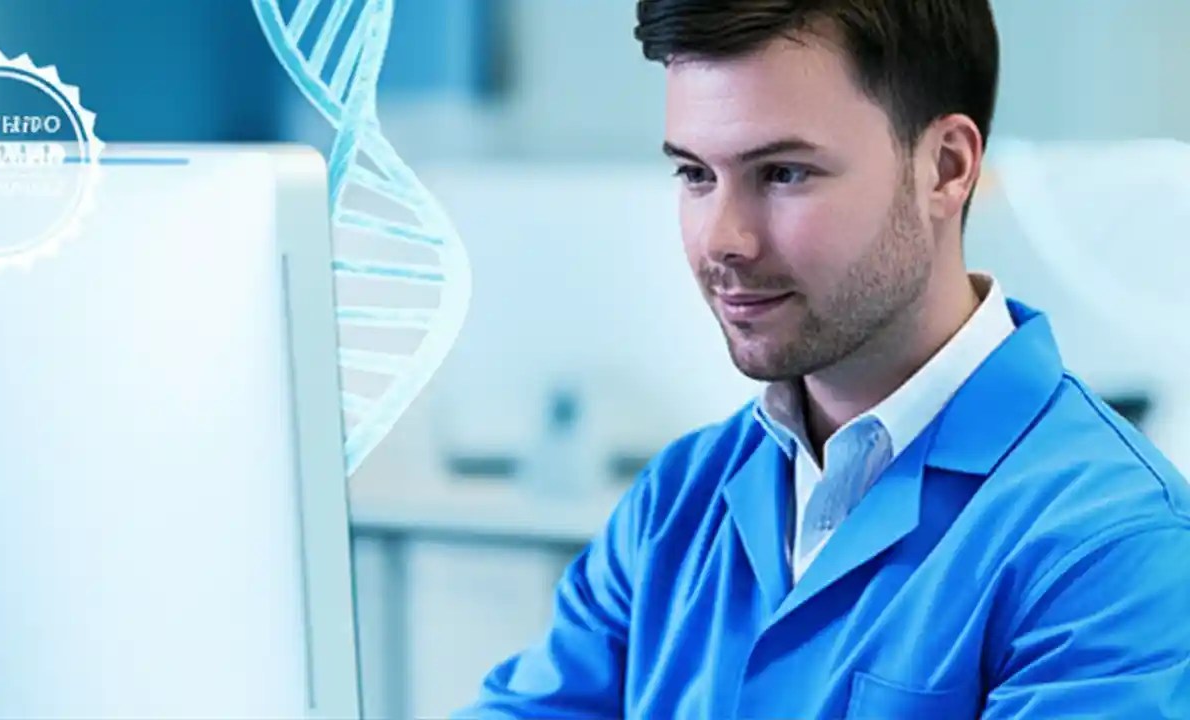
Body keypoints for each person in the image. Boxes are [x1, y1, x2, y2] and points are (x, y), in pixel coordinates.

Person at [455, 1, 1190, 717]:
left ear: (945, 167)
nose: (722, 239)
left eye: (783, 173)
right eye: (694, 175)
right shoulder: (674, 505)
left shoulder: (1110, 548)